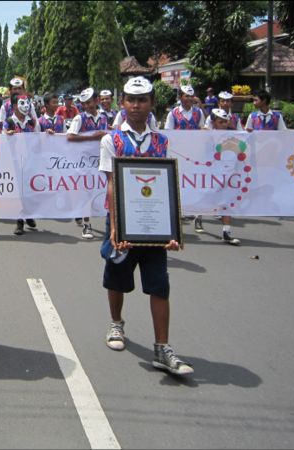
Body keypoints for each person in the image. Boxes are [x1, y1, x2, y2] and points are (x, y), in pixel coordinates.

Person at [98, 76, 193, 376]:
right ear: (122, 103)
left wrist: (173, 230)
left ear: (152, 103)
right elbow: (111, 183)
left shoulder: (162, 142)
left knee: (159, 283)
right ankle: (116, 323)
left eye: (142, 100)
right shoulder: (111, 140)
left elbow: (167, 186)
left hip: (154, 226)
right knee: (117, 276)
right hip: (122, 221)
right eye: (131, 100)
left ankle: (162, 347)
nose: (136, 106)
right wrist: (116, 227)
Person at [194, 108, 242, 245]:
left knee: (227, 201)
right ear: (214, 122)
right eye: (221, 122)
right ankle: (198, 216)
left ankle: (226, 232)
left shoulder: (233, 135)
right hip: (211, 172)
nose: (224, 124)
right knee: (204, 197)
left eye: (226, 122)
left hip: (227, 173)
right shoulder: (207, 135)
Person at [66, 87, 108, 239]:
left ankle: (110, 224)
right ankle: (86, 224)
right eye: (84, 103)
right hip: (84, 162)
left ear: (96, 101)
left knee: (103, 190)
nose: (87, 106)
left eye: (89, 102)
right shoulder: (80, 118)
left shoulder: (103, 117)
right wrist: (92, 137)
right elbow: (70, 136)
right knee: (87, 192)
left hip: (101, 159)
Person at [4, 94, 41, 235]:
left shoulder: (31, 122)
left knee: (29, 190)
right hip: (15, 162)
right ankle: (20, 222)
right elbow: (3, 136)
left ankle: (28, 215)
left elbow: (39, 136)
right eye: (22, 103)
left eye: (27, 103)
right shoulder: (9, 122)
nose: (26, 106)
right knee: (19, 192)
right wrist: (7, 134)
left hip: (29, 161)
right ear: (14, 106)